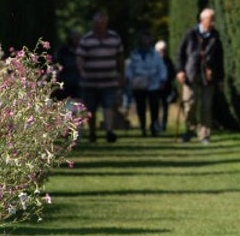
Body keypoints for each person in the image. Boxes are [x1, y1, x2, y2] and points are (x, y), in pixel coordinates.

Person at [176, 8, 223, 144]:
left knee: (207, 106)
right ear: (202, 20)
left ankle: (204, 135)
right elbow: (180, 53)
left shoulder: (215, 36)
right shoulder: (190, 34)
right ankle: (190, 129)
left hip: (208, 75)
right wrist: (180, 70)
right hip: (191, 73)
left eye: (213, 19)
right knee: (189, 104)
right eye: (211, 19)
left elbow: (220, 59)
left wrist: (220, 78)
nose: (213, 22)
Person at [77, 9, 125, 143]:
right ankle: (92, 132)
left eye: (102, 23)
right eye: (97, 23)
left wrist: (121, 74)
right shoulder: (87, 39)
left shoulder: (114, 38)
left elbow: (120, 57)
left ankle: (109, 131)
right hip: (90, 81)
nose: (100, 26)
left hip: (109, 80)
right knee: (90, 108)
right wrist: (82, 71)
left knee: (109, 106)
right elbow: (80, 57)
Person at [125, 31, 167, 136]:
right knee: (141, 107)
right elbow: (130, 69)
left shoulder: (155, 54)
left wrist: (162, 79)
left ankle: (154, 126)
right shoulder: (134, 54)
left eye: (147, 39)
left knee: (154, 106)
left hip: (153, 84)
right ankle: (143, 126)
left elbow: (161, 67)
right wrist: (129, 79)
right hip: (139, 84)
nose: (145, 41)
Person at [154, 39, 177, 135]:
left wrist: (167, 80)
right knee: (155, 107)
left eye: (164, 50)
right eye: (161, 50)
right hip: (155, 87)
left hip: (166, 87)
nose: (163, 52)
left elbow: (172, 73)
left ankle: (163, 125)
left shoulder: (168, 61)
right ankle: (155, 124)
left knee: (165, 106)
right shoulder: (154, 61)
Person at [52, 30, 82, 101]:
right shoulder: (62, 52)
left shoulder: (83, 52)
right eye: (74, 38)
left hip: (79, 88)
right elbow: (56, 67)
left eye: (77, 38)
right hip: (64, 87)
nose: (76, 40)